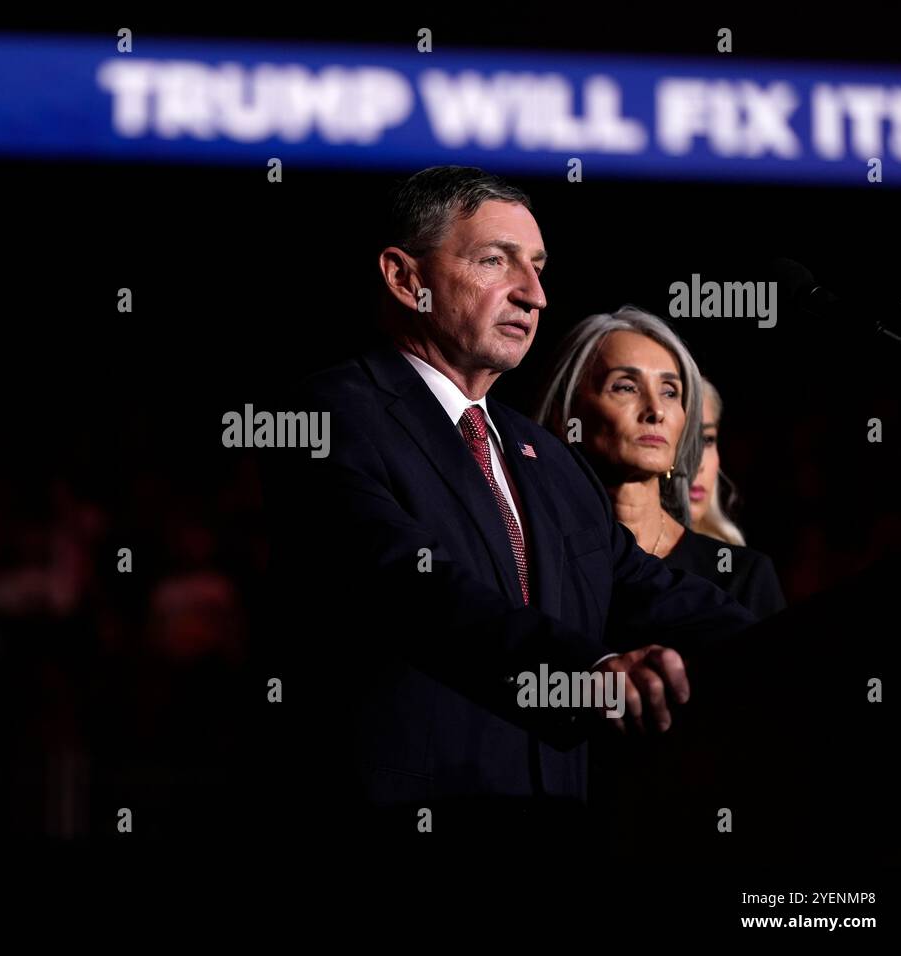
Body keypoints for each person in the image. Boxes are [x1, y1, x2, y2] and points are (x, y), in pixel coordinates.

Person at [259, 166, 756, 842]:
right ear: (407, 279)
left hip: (555, 836)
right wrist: (585, 675)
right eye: (496, 261)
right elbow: (415, 593)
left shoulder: (548, 459)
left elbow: (650, 588)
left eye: (539, 266)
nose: (535, 294)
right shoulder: (329, 416)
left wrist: (824, 647)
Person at [534, 307, 785, 618]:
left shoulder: (742, 576)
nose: (656, 410)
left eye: (670, 392)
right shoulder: (534, 562)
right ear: (564, 416)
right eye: (626, 386)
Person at [690, 378, 746, 546]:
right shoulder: (614, 552)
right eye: (682, 442)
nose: (698, 464)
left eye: (707, 440)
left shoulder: (727, 559)